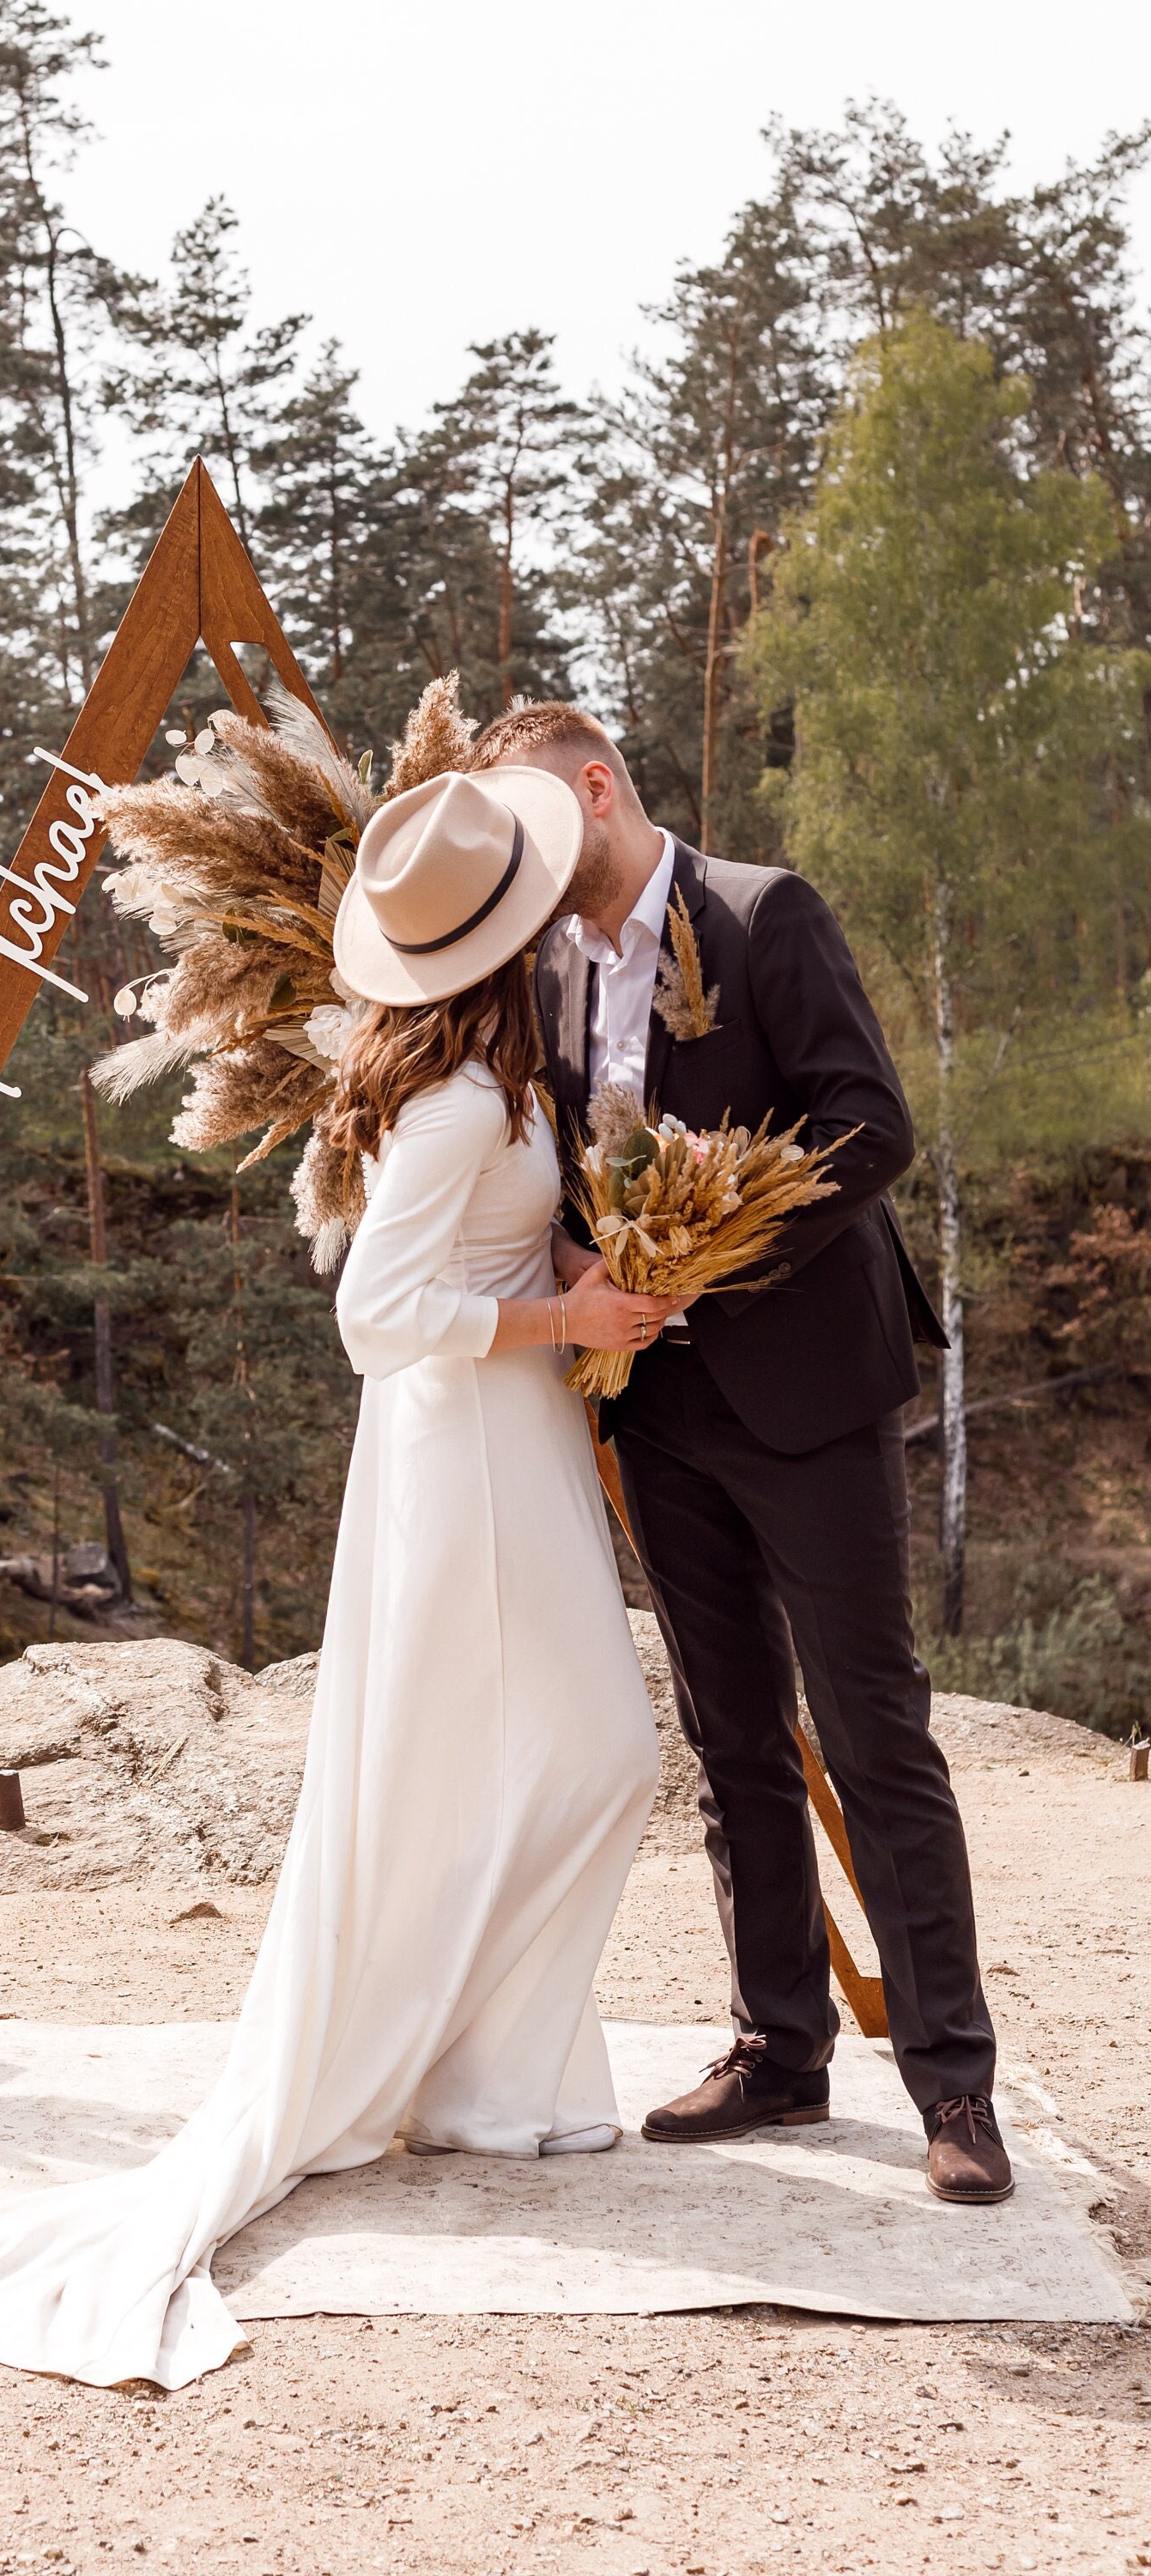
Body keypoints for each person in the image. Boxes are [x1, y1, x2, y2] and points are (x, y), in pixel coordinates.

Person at [0, 762, 675, 2387]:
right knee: (595, 1746)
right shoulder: (461, 1099)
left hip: (509, 1447)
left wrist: (570, 1266)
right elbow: (374, 1320)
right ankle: (450, 2073)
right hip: (460, 1460)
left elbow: (493, 1242)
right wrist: (563, 1323)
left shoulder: (504, 1089)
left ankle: (481, 2084)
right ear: (506, 941)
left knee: (555, 1756)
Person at [482, 699, 1009, 2208]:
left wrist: (717, 1230)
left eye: (528, 824)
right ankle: (778, 2049)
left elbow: (870, 1127)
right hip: (653, 1405)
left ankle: (953, 2083)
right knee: (733, 1747)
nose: (516, 860)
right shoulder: (539, 969)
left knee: (874, 1734)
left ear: (597, 789)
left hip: (808, 1393)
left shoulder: (765, 913)